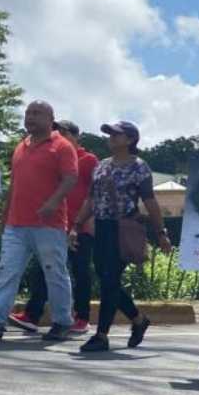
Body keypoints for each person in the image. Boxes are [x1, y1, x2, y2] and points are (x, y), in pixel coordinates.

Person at [71, 121, 172, 352]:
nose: (111, 138)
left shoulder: (139, 167)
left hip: (124, 228)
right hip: (101, 227)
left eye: (116, 134)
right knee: (106, 278)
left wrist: (161, 233)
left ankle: (101, 335)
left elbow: (149, 201)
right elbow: (91, 200)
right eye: (110, 134)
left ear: (130, 139)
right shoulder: (101, 166)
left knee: (109, 278)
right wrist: (76, 225)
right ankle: (138, 319)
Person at [7, 120, 98, 335]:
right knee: (44, 270)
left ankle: (82, 317)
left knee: (79, 271)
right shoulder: (54, 155)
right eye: (57, 131)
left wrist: (86, 221)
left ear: (75, 136)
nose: (59, 135)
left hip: (79, 225)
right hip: (54, 224)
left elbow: (95, 193)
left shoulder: (88, 160)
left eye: (64, 132)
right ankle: (32, 315)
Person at [0, 101, 78, 342]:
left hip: (49, 225)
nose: (30, 117)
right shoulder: (20, 146)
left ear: (50, 119)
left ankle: (62, 322)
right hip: (16, 225)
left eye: (36, 113)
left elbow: (71, 178)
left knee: (55, 274)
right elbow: (14, 185)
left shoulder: (62, 146)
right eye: (28, 113)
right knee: (7, 273)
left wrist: (53, 202)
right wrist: (4, 217)